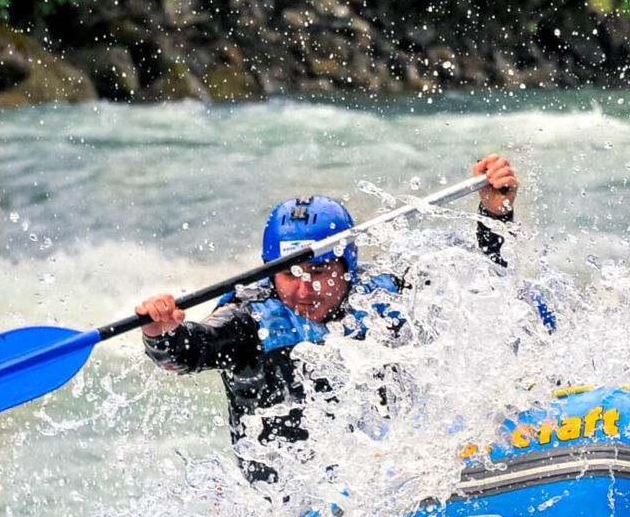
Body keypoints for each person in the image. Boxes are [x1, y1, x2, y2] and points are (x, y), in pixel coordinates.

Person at [135, 154, 521, 485]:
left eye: (318, 273)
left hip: (388, 476)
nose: (303, 291)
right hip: (291, 504)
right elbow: (187, 351)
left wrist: (495, 212)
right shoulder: (250, 318)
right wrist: (160, 331)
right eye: (290, 275)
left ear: (348, 266)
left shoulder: (382, 296)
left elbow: (484, 287)